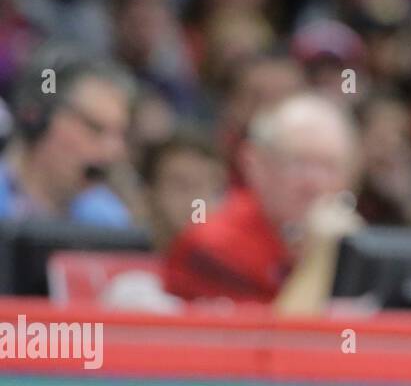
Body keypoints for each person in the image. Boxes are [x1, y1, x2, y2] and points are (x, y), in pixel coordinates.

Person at [163, 92, 363, 314]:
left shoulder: (353, 242)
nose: (314, 184)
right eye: (299, 163)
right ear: (255, 164)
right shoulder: (213, 243)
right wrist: (320, 254)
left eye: (330, 166)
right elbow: (279, 341)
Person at [0, 47, 137, 227]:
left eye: (120, 135)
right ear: (37, 119)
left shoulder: (110, 219)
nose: (113, 151)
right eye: (95, 128)